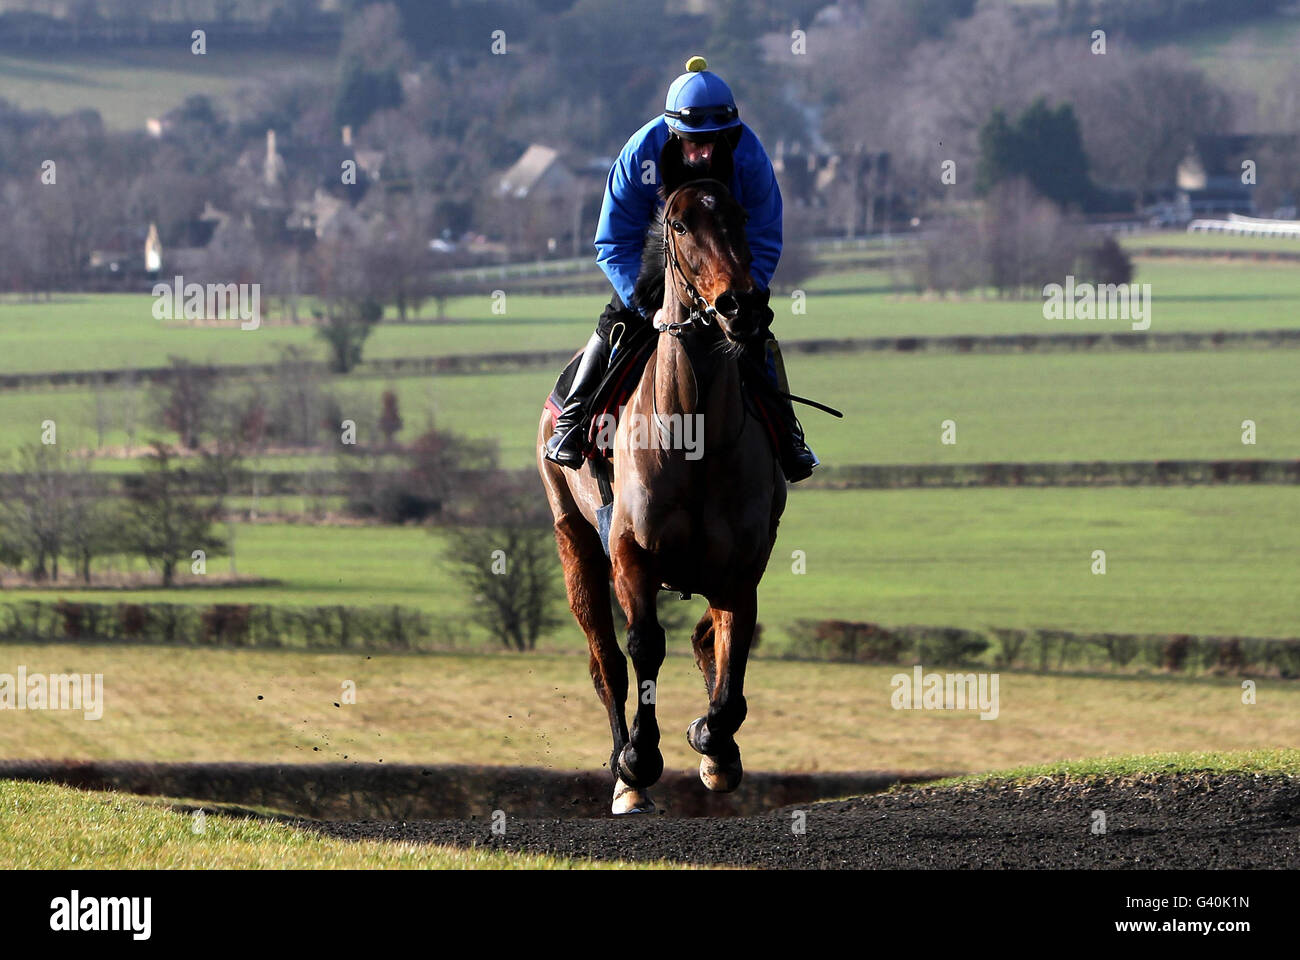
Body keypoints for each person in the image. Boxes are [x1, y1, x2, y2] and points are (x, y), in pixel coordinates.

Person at [544, 56, 818, 482]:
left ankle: (788, 435)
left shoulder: (751, 157)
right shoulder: (640, 153)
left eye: (718, 140)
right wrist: (645, 306)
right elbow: (613, 242)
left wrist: (744, 290)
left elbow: (765, 237)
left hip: (725, 268)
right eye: (695, 141)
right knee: (616, 323)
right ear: (673, 134)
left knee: (758, 333)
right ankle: (573, 421)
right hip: (652, 269)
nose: (707, 153)